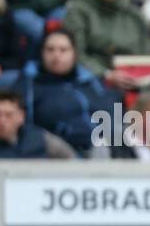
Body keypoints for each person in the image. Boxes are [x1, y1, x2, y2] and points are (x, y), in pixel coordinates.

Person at [11, 28, 119, 157]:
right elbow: (22, 125)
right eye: (50, 50)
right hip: (54, 152)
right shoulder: (28, 83)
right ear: (41, 53)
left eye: (63, 50)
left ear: (74, 54)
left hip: (95, 146)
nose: (56, 55)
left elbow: (110, 113)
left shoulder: (90, 81)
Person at [63, 0, 150, 88]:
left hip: (136, 82)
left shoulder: (136, 16)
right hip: (94, 81)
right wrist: (106, 74)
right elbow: (76, 54)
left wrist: (142, 78)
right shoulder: (79, 12)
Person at [0, 89, 74, 160]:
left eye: (8, 115)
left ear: (21, 116)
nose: (2, 120)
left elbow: (70, 160)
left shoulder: (41, 139)